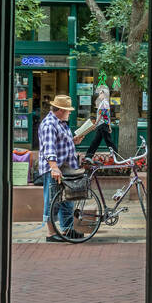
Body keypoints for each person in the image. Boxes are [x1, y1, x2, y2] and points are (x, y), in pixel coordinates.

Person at [38, 94, 82, 242]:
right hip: (55, 169)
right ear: (61, 110)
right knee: (52, 201)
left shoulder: (60, 123)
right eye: (68, 111)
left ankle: (67, 230)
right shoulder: (50, 124)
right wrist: (54, 168)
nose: (70, 113)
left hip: (65, 167)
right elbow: (49, 148)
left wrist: (73, 141)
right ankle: (51, 234)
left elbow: (60, 144)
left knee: (67, 199)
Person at [84, 85, 117, 160]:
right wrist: (109, 126)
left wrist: (96, 124)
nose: (99, 95)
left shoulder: (104, 103)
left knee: (108, 142)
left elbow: (102, 115)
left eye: (101, 94)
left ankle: (115, 156)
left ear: (104, 94)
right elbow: (107, 116)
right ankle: (88, 157)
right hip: (103, 125)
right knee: (96, 142)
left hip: (102, 125)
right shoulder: (104, 103)